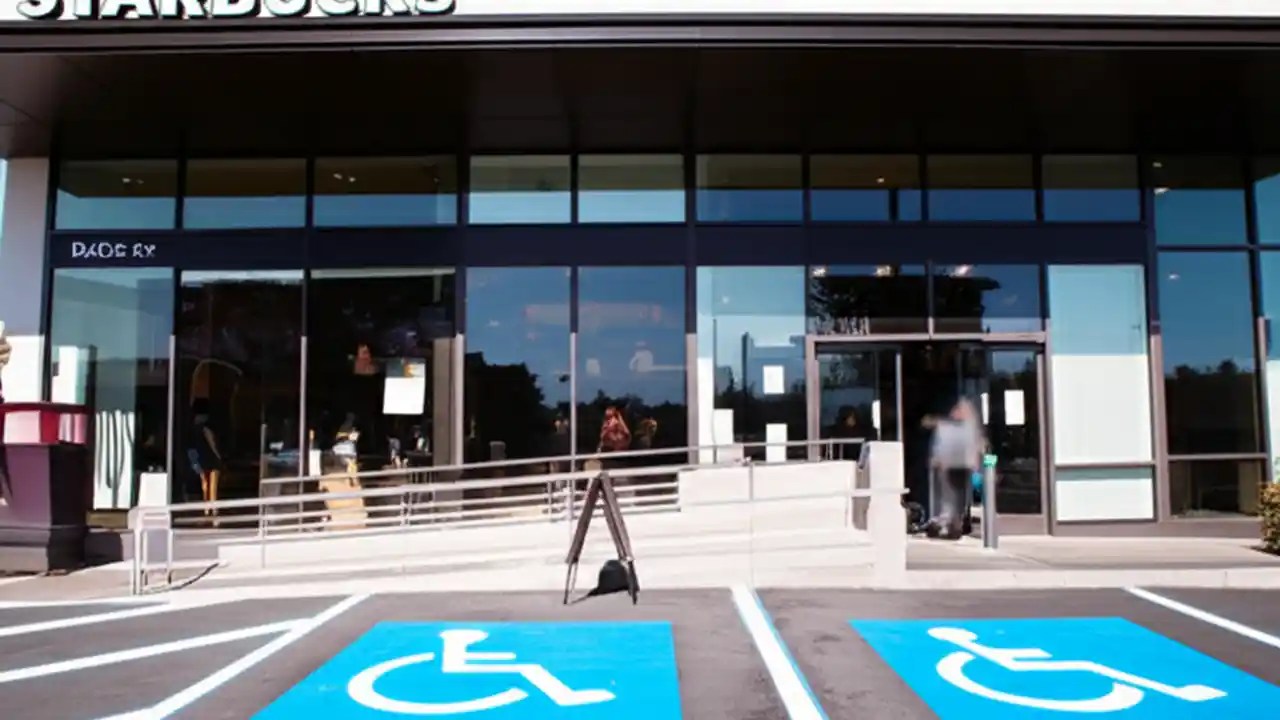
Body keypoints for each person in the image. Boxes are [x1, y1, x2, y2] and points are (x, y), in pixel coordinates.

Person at [926, 396, 983, 540]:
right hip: (954, 466)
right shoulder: (954, 428)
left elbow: (973, 446)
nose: (955, 412)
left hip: (958, 467)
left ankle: (953, 524)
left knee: (955, 498)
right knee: (951, 498)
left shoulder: (963, 428)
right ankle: (951, 523)